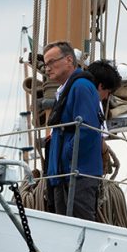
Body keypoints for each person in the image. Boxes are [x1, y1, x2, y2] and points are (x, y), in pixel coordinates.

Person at [41, 41, 103, 222]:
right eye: (45, 64)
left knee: (77, 229)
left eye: (52, 62)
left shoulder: (81, 87)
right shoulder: (65, 90)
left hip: (77, 173)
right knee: (64, 229)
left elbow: (87, 129)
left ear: (69, 60)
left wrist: (67, 156)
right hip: (63, 174)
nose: (47, 68)